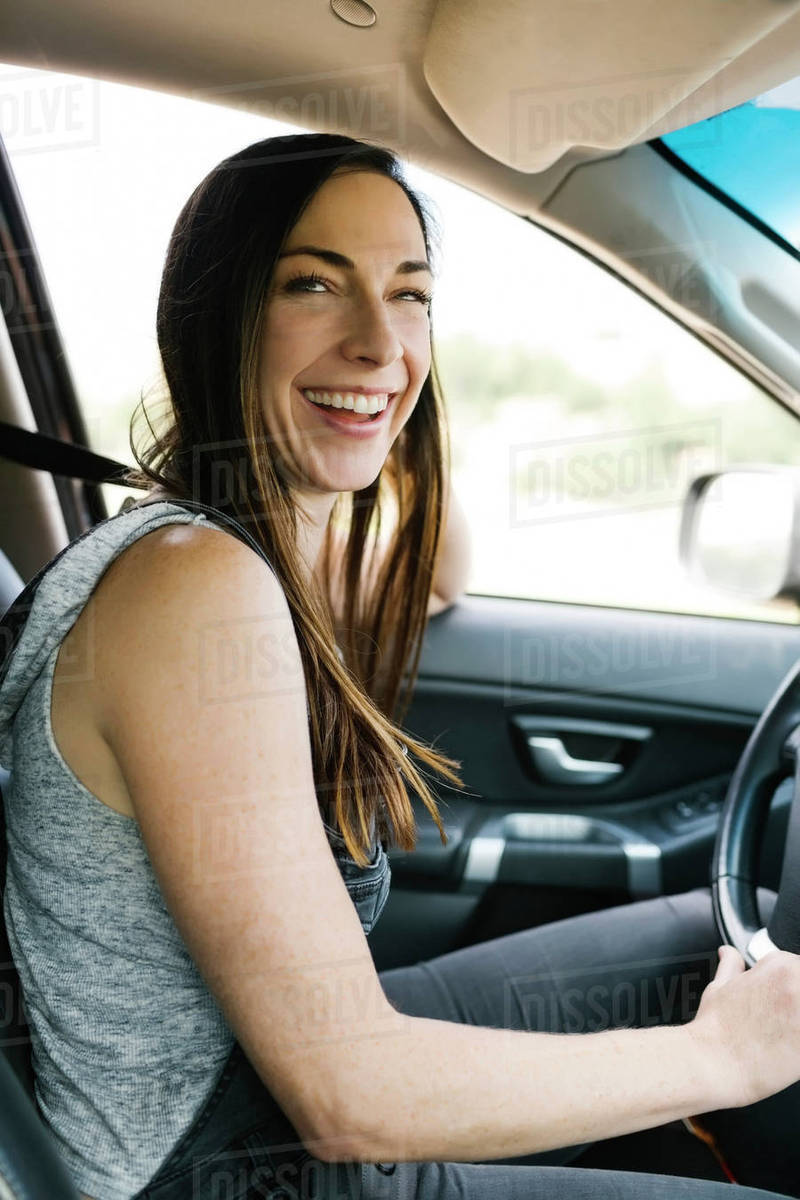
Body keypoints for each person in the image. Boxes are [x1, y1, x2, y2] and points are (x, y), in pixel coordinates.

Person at [1, 131, 800, 1200]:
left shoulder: (254, 540)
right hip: (217, 1166)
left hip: (266, 1091)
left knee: (704, 930)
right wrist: (724, 1059)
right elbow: (347, 1097)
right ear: (217, 316)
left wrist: (385, 403)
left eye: (409, 293)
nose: (377, 334)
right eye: (313, 285)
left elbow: (432, 576)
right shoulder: (190, 588)